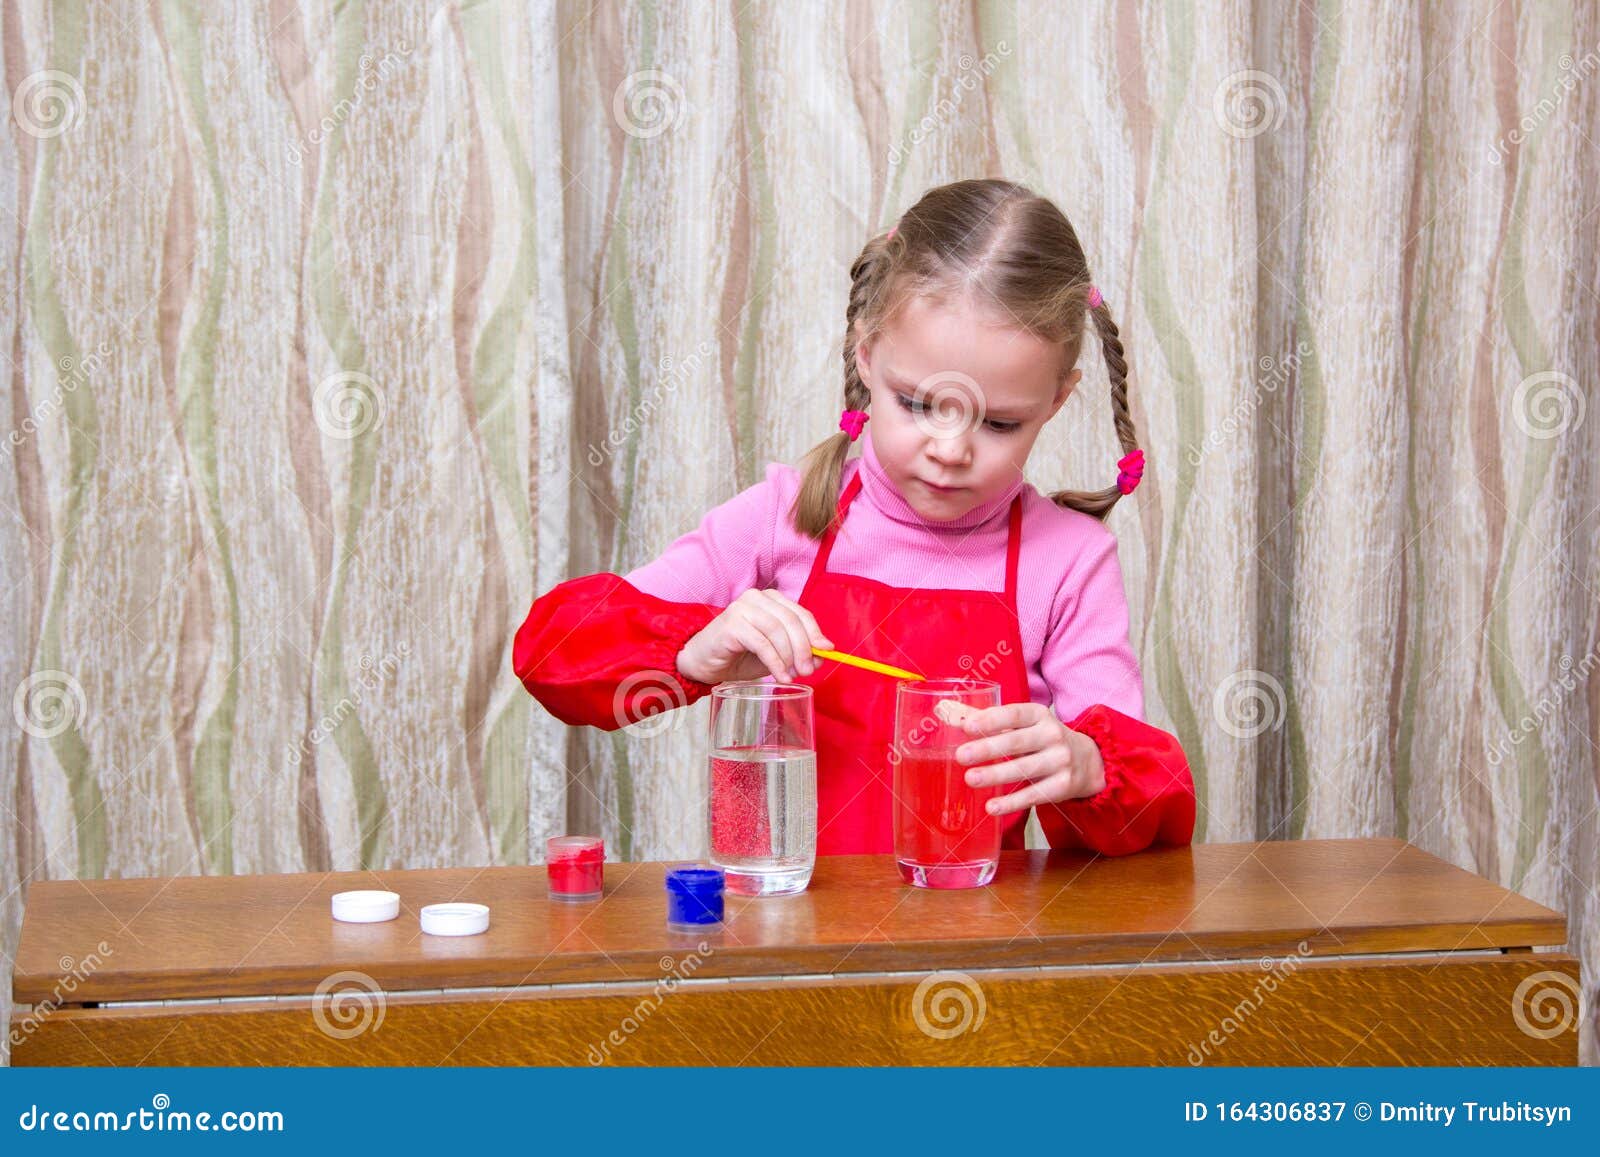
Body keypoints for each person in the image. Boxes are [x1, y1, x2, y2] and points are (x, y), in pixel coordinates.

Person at [514, 178, 1195, 858]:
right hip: (784, 941)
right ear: (866, 355)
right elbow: (551, 651)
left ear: (1056, 400)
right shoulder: (783, 516)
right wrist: (691, 650)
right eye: (919, 404)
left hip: (972, 944)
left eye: (999, 421)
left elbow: (1148, 817)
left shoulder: (1069, 560)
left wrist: (1085, 765)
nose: (950, 449)